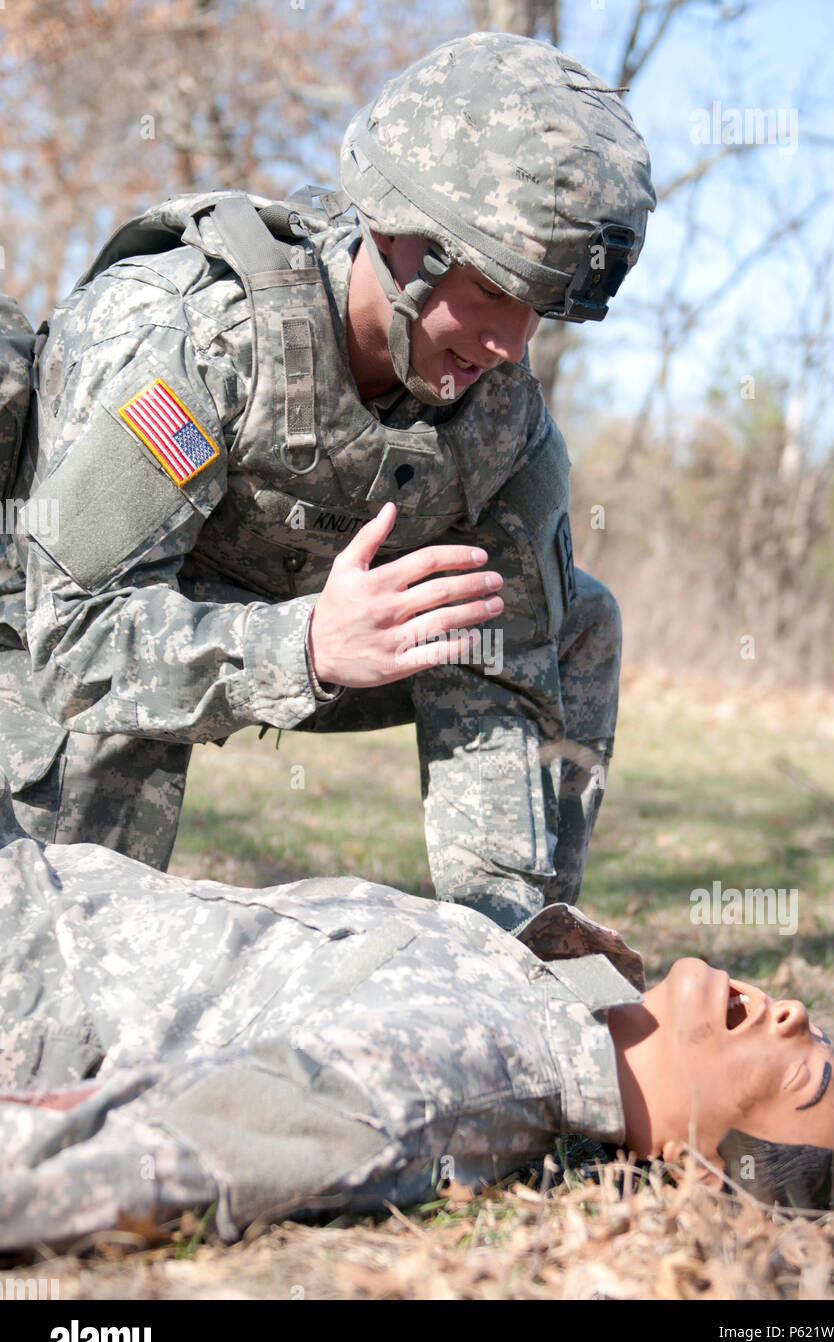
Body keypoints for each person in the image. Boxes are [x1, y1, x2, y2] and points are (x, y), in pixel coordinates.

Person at [0, 31, 656, 930]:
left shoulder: (505, 420)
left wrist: (502, 942)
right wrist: (303, 646)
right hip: (59, 634)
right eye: (498, 291)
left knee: (574, 623)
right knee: (59, 966)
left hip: (302, 629)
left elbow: (509, 679)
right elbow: (77, 637)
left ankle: (522, 965)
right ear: (399, 239)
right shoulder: (197, 340)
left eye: (538, 311)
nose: (512, 344)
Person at [0, 769, 834, 1251]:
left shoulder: (461, 1087)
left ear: (697, 1171)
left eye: (804, 1076)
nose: (793, 1011)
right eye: (815, 1024)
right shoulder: (562, 993)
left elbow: (147, 1165)